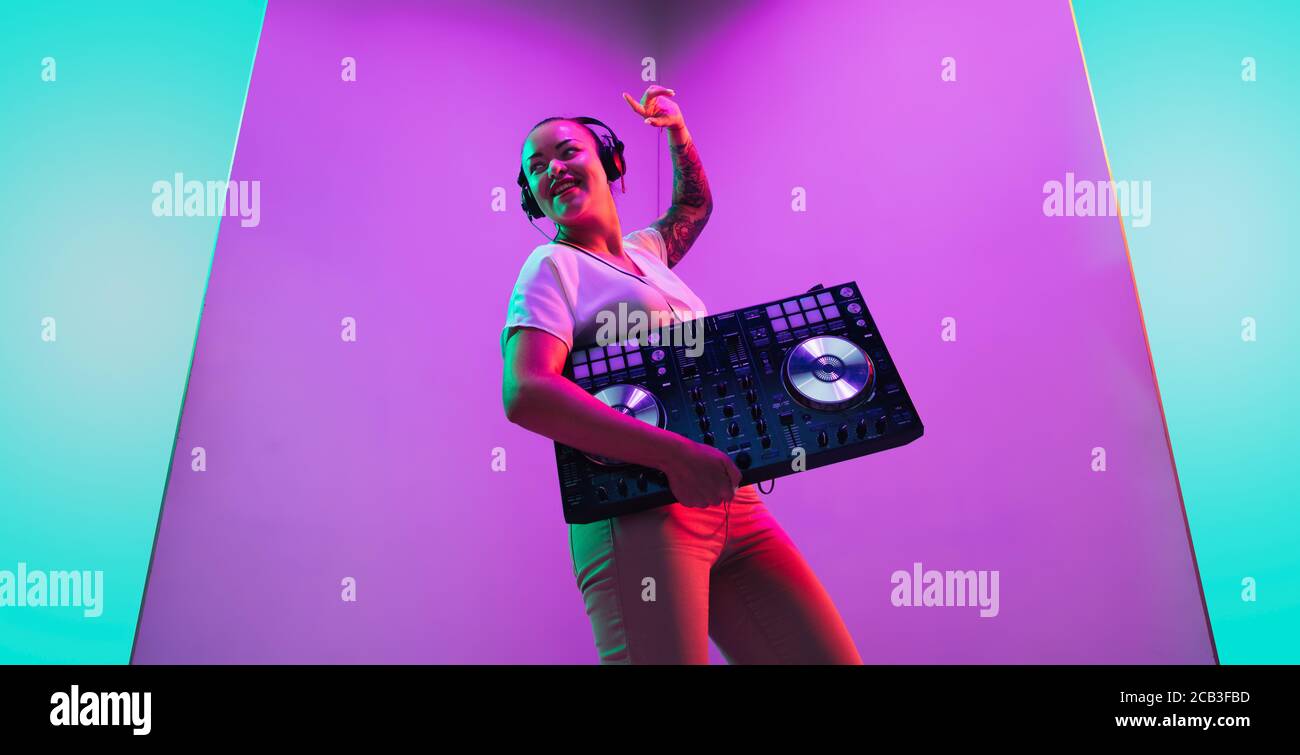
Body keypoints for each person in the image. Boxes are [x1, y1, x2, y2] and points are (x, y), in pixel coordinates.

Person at [501, 85, 862, 664]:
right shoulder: (552, 267)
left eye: (566, 152)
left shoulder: (647, 253)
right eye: (536, 168)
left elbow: (694, 208)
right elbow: (527, 392)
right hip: (642, 515)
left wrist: (677, 132)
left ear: (611, 161)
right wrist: (673, 456)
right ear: (532, 200)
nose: (553, 170)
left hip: (733, 502)